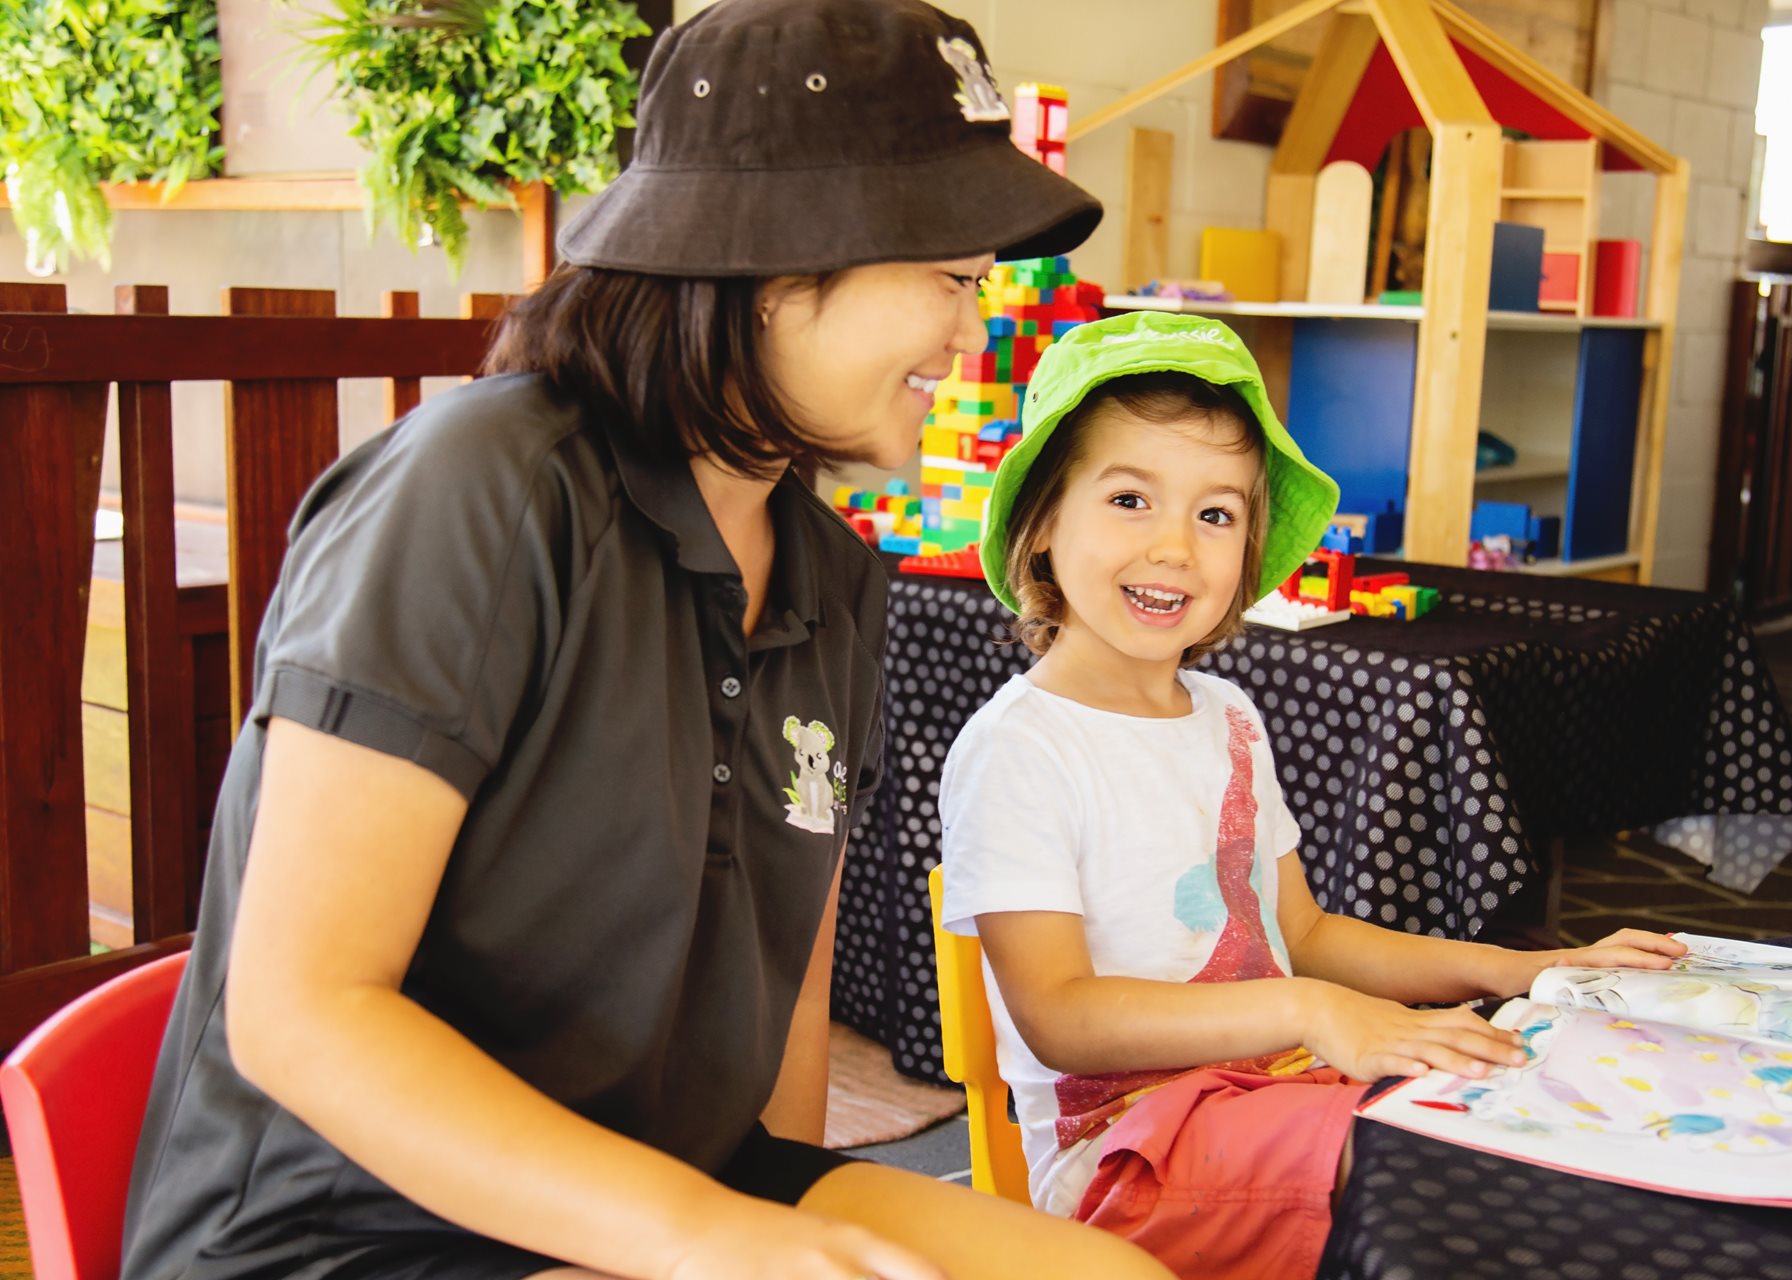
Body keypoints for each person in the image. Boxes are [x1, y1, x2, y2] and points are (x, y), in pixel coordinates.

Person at [119, 3, 1176, 1278]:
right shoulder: (481, 492)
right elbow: (301, 1011)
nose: (972, 334)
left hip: (684, 1184)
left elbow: (783, 999)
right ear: (778, 266)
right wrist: (717, 1243)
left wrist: (777, 1212)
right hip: (351, 1231)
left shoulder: (836, 577)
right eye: (952, 278)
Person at [937, 310, 1687, 1280]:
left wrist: (1525, 970)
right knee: (1433, 1167)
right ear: (1041, 527)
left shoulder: (1230, 714)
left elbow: (1310, 933)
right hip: (1125, 1156)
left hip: (1284, 1090)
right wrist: (1308, 1009)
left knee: (1524, 1100)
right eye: (1130, 498)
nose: (1174, 544)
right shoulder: (1020, 748)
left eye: (1215, 514)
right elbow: (1059, 1015)